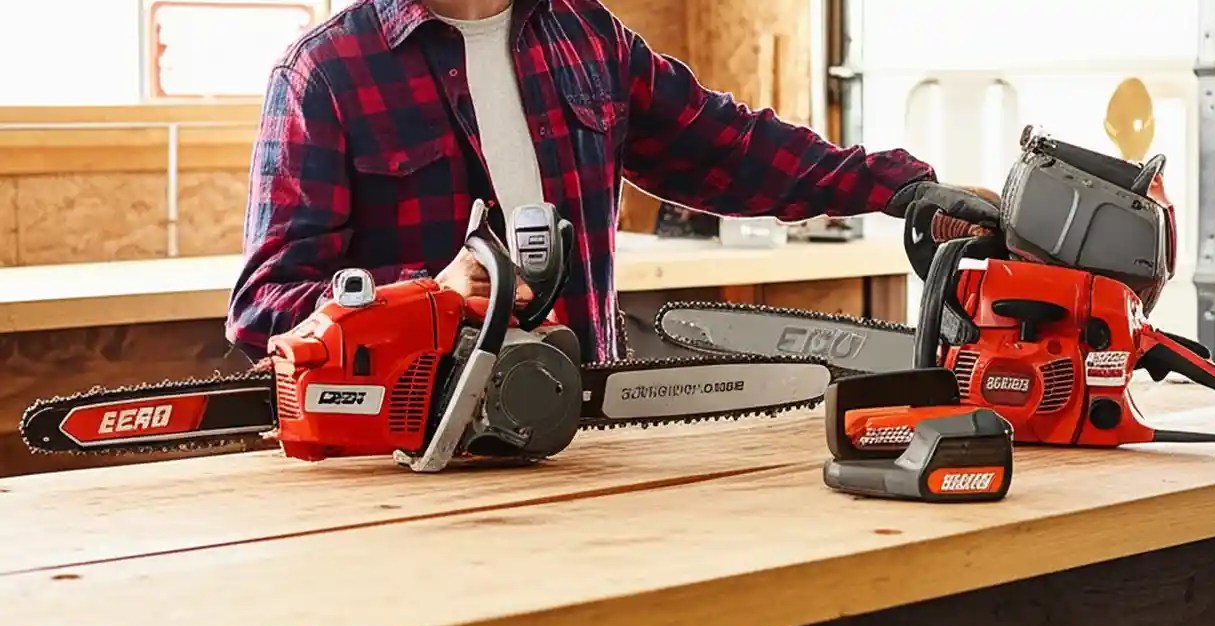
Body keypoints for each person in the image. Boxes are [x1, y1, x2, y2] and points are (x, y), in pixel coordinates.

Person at [226, 0, 1002, 365]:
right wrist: (427, 294)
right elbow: (267, 303)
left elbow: (728, 147)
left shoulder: (584, 35)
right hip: (413, 458)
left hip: (586, 425)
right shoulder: (325, 73)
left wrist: (896, 187)